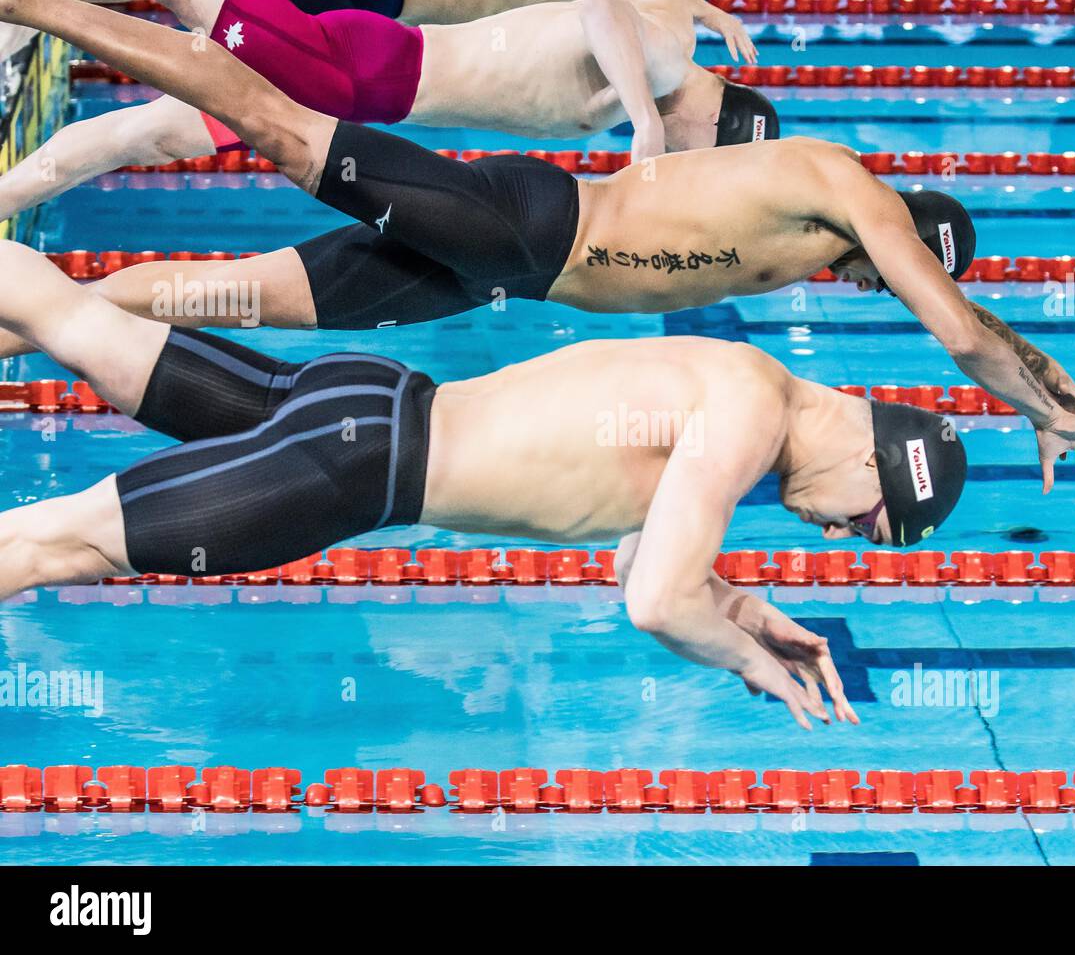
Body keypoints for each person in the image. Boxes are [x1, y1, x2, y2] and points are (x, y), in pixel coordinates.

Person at [0, 0, 1075, 486]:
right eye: (909, 274)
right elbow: (955, 326)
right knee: (268, 118)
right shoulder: (839, 185)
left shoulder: (819, 231)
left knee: (232, 300)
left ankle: (15, 332)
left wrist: (1042, 378)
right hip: (518, 225)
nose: (889, 290)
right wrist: (1033, 399)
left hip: (496, 267)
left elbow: (969, 324)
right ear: (910, 240)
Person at [0, 237, 975, 728]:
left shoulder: (740, 386)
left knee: (73, 318)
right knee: (47, 543)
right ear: (872, 460)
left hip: (364, 400)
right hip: (359, 463)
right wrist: (747, 661)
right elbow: (651, 602)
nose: (843, 538)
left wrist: (739, 608)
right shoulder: (754, 418)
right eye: (869, 524)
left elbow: (645, 548)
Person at [0, 0, 774, 218]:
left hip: (357, 86)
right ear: (716, 124)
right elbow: (606, 10)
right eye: (693, 152)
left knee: (134, 139)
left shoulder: (665, 47)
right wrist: (641, 120)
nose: (676, 156)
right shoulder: (665, 66)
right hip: (357, 72)